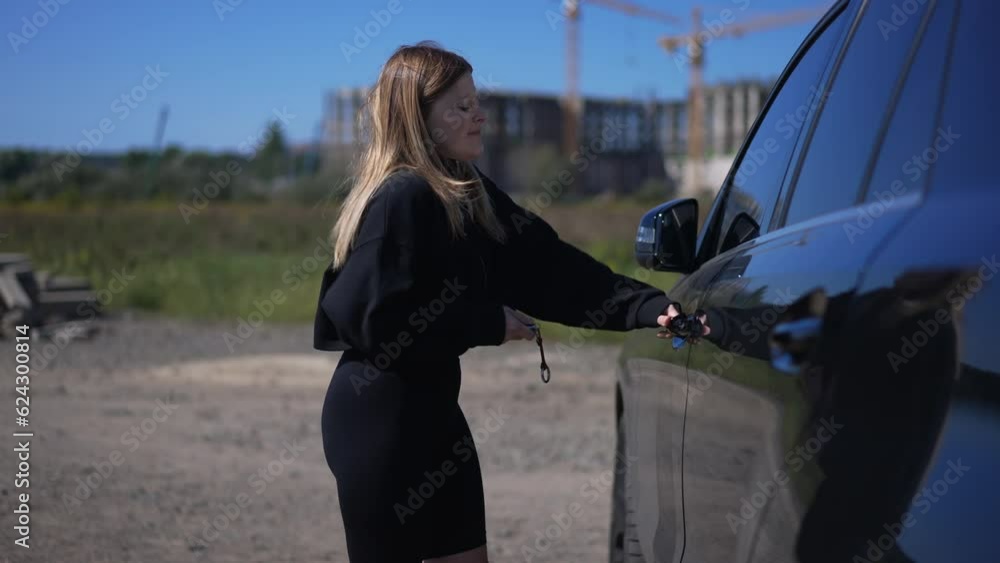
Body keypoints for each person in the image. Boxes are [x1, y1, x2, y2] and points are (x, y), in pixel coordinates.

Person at [313, 41, 708, 563]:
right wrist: (487, 321)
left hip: (436, 415)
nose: (479, 116)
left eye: (477, 102)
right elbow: (374, 318)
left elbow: (547, 266)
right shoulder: (399, 198)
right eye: (461, 106)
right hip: (378, 421)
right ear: (418, 117)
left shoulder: (467, 190)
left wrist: (645, 305)